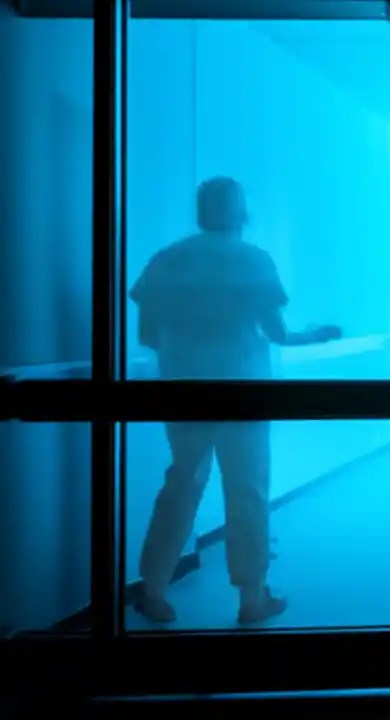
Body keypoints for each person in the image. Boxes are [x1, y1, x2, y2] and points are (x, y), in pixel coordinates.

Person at [130, 177, 342, 625]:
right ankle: (252, 596)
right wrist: (317, 334)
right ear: (241, 213)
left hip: (183, 390)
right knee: (247, 489)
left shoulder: (166, 261)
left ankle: (152, 589)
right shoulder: (252, 261)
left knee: (182, 482)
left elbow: (147, 335)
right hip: (244, 391)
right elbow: (278, 333)